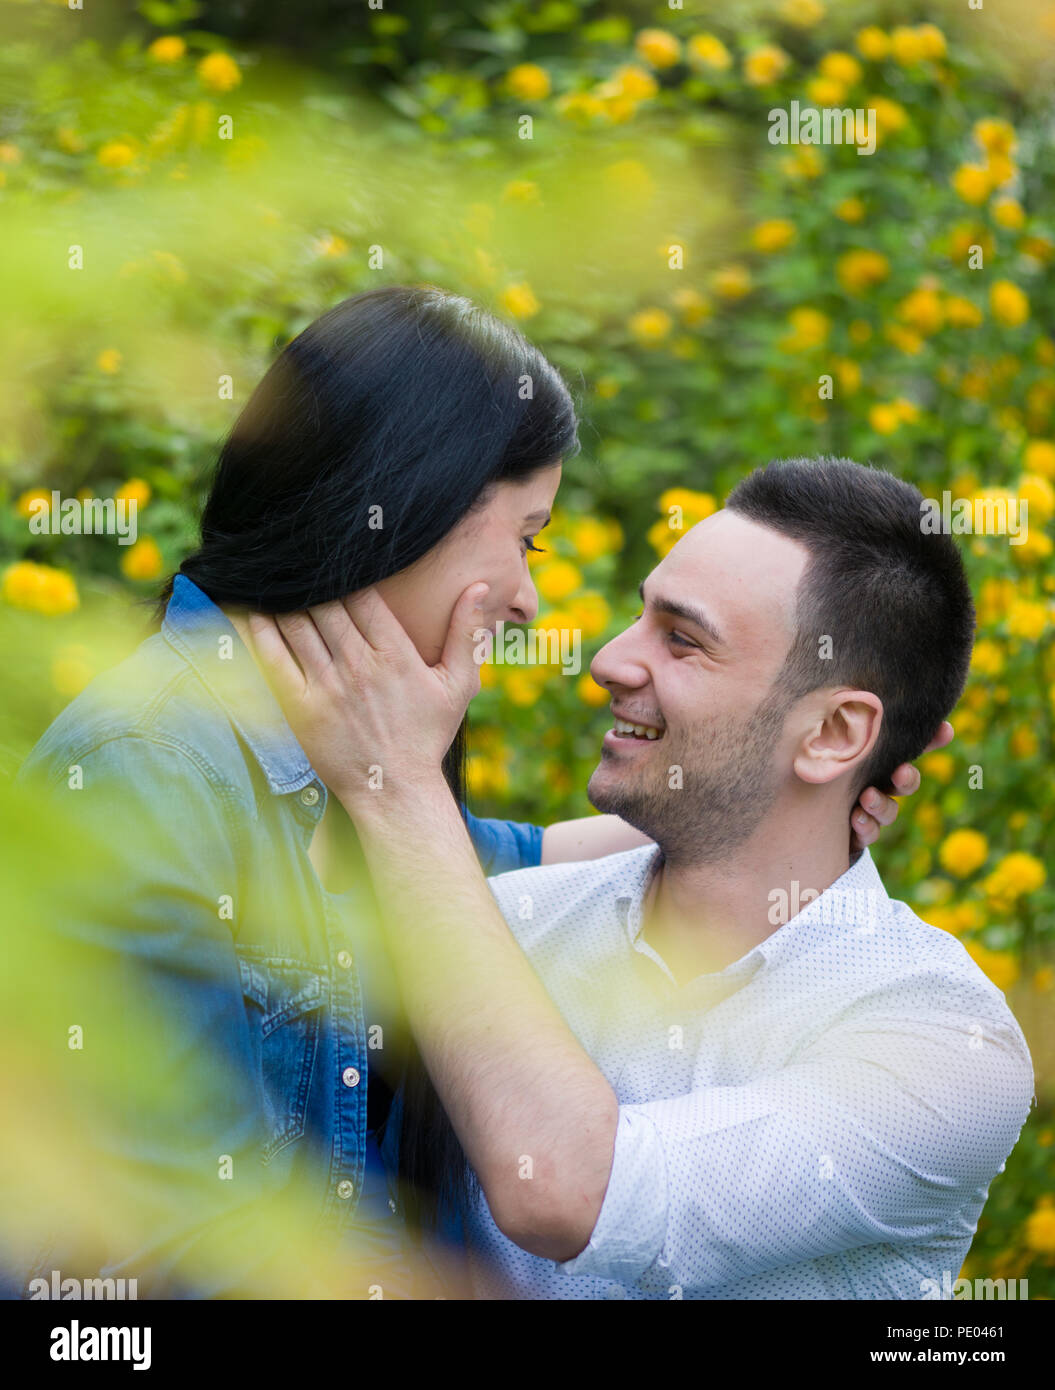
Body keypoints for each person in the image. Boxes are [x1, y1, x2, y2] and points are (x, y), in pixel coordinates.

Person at [7, 282, 922, 1299]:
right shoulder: (154, 770)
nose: (530, 599)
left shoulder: (331, 772)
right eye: (525, 537)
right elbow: (170, 1251)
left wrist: (785, 799)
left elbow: (491, 861)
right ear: (408, 502)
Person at [249, 454, 1033, 1300]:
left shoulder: (944, 1044)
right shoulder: (508, 922)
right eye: (638, 616)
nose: (609, 661)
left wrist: (401, 782)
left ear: (835, 732)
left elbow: (571, 1194)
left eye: (683, 641)